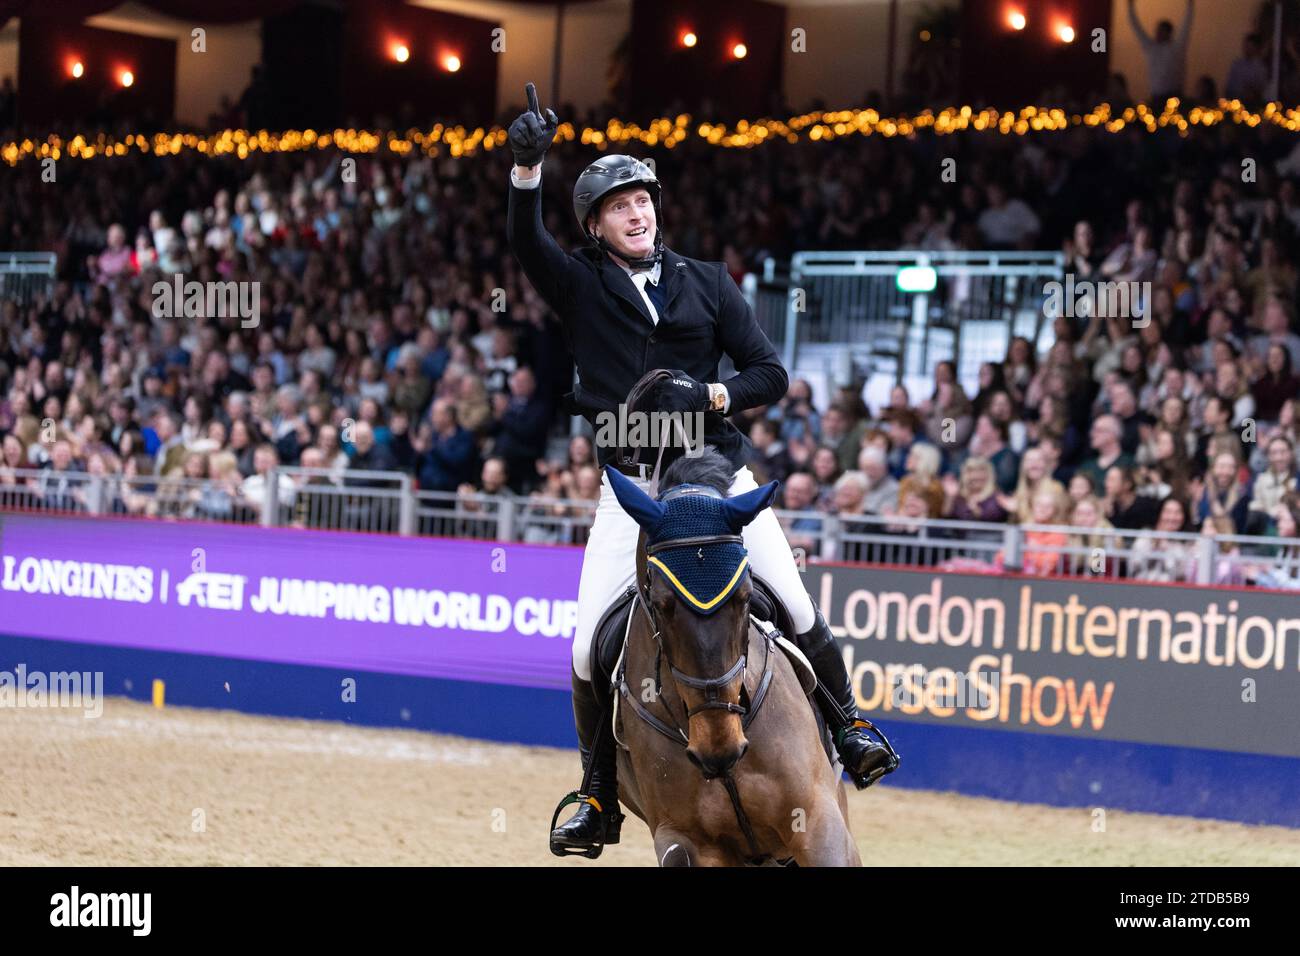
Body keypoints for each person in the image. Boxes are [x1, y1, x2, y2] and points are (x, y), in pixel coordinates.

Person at [505, 84, 897, 856]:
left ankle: (849, 727)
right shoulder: (579, 283)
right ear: (595, 226)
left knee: (794, 603)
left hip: (718, 483)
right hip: (635, 492)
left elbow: (769, 373)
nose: (638, 213)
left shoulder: (709, 280)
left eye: (643, 200)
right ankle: (597, 794)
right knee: (589, 644)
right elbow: (526, 247)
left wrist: (711, 390)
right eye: (620, 207)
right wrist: (527, 172)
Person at [1127, 0, 1195, 103]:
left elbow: (1186, 25)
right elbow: (1136, 27)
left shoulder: (1177, 48)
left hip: (1175, 97)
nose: (1157, 33)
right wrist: (1130, 6)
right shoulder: (1150, 47)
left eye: (1161, 31)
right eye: (1157, 30)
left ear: (1168, 33)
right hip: (1156, 97)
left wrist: (1190, 5)